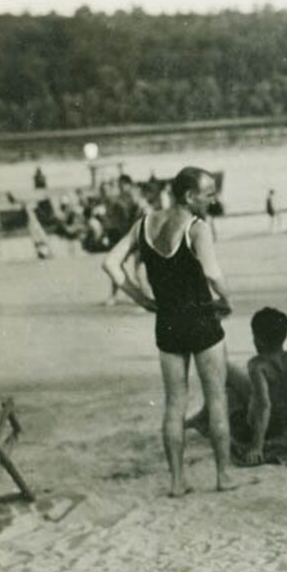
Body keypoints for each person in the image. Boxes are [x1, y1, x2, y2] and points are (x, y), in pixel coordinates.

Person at [102, 166, 236, 497]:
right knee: (216, 399)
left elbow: (110, 263)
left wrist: (142, 298)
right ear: (190, 197)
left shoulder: (144, 225)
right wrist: (227, 297)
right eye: (208, 195)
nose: (212, 199)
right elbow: (212, 273)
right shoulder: (197, 228)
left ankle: (177, 481)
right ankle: (223, 476)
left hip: (167, 323)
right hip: (202, 321)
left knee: (174, 404)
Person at [187, 307, 287, 466]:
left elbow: (263, 406)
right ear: (285, 335)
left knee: (222, 374)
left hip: (250, 431)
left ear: (257, 339)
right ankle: (200, 418)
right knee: (227, 378)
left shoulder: (257, 365)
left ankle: (201, 420)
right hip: (280, 429)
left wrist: (257, 447)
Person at [103, 175, 151, 306]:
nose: (120, 188)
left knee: (138, 268)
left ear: (127, 184)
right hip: (129, 236)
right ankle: (123, 295)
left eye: (121, 185)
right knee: (121, 265)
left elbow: (141, 213)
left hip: (135, 236)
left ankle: (145, 297)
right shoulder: (124, 199)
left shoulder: (133, 198)